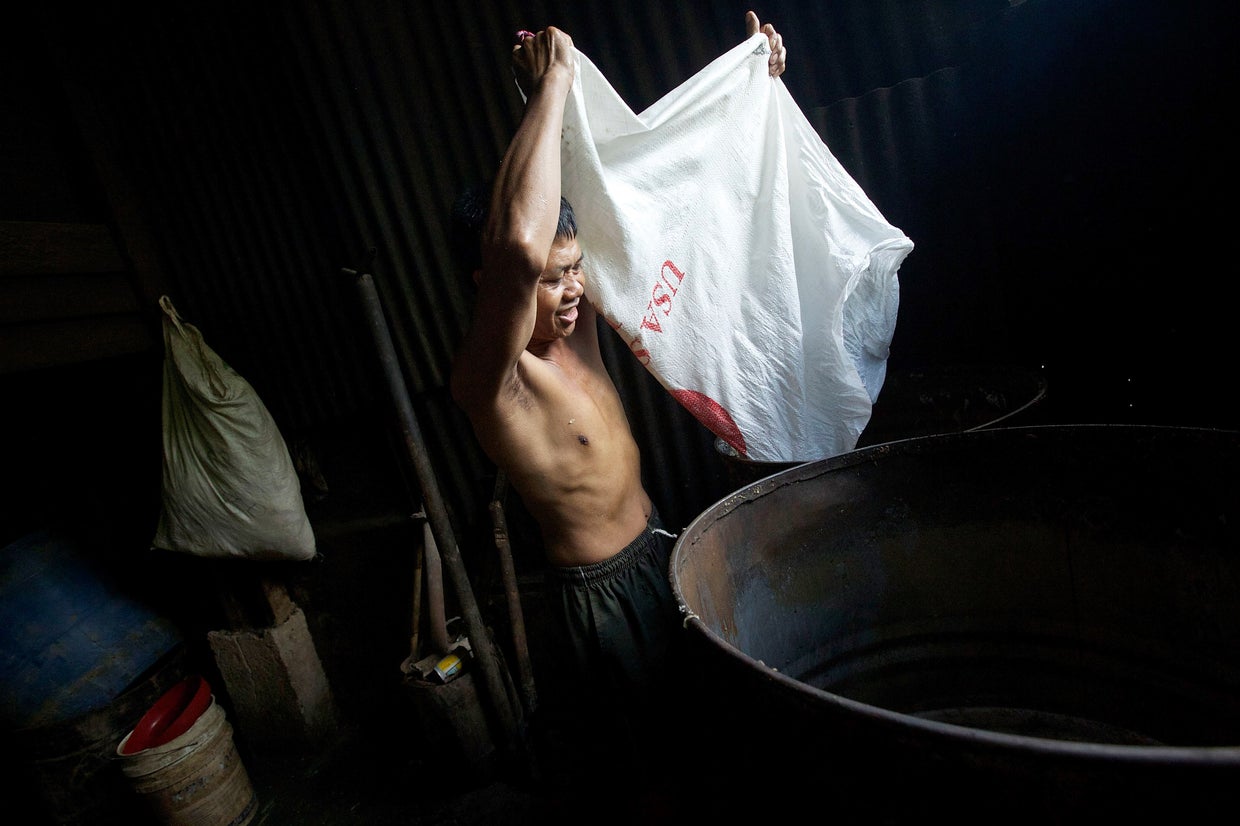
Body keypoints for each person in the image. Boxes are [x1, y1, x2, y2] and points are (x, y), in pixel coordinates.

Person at [450, 11, 786, 820]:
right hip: (597, 601)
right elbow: (517, 250)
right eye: (548, 280)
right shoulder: (495, 385)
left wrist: (754, 90)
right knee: (651, 773)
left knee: (712, 740)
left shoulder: (578, 329)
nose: (568, 291)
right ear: (489, 289)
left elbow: (647, 199)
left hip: (659, 547)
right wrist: (557, 87)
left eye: (574, 273)